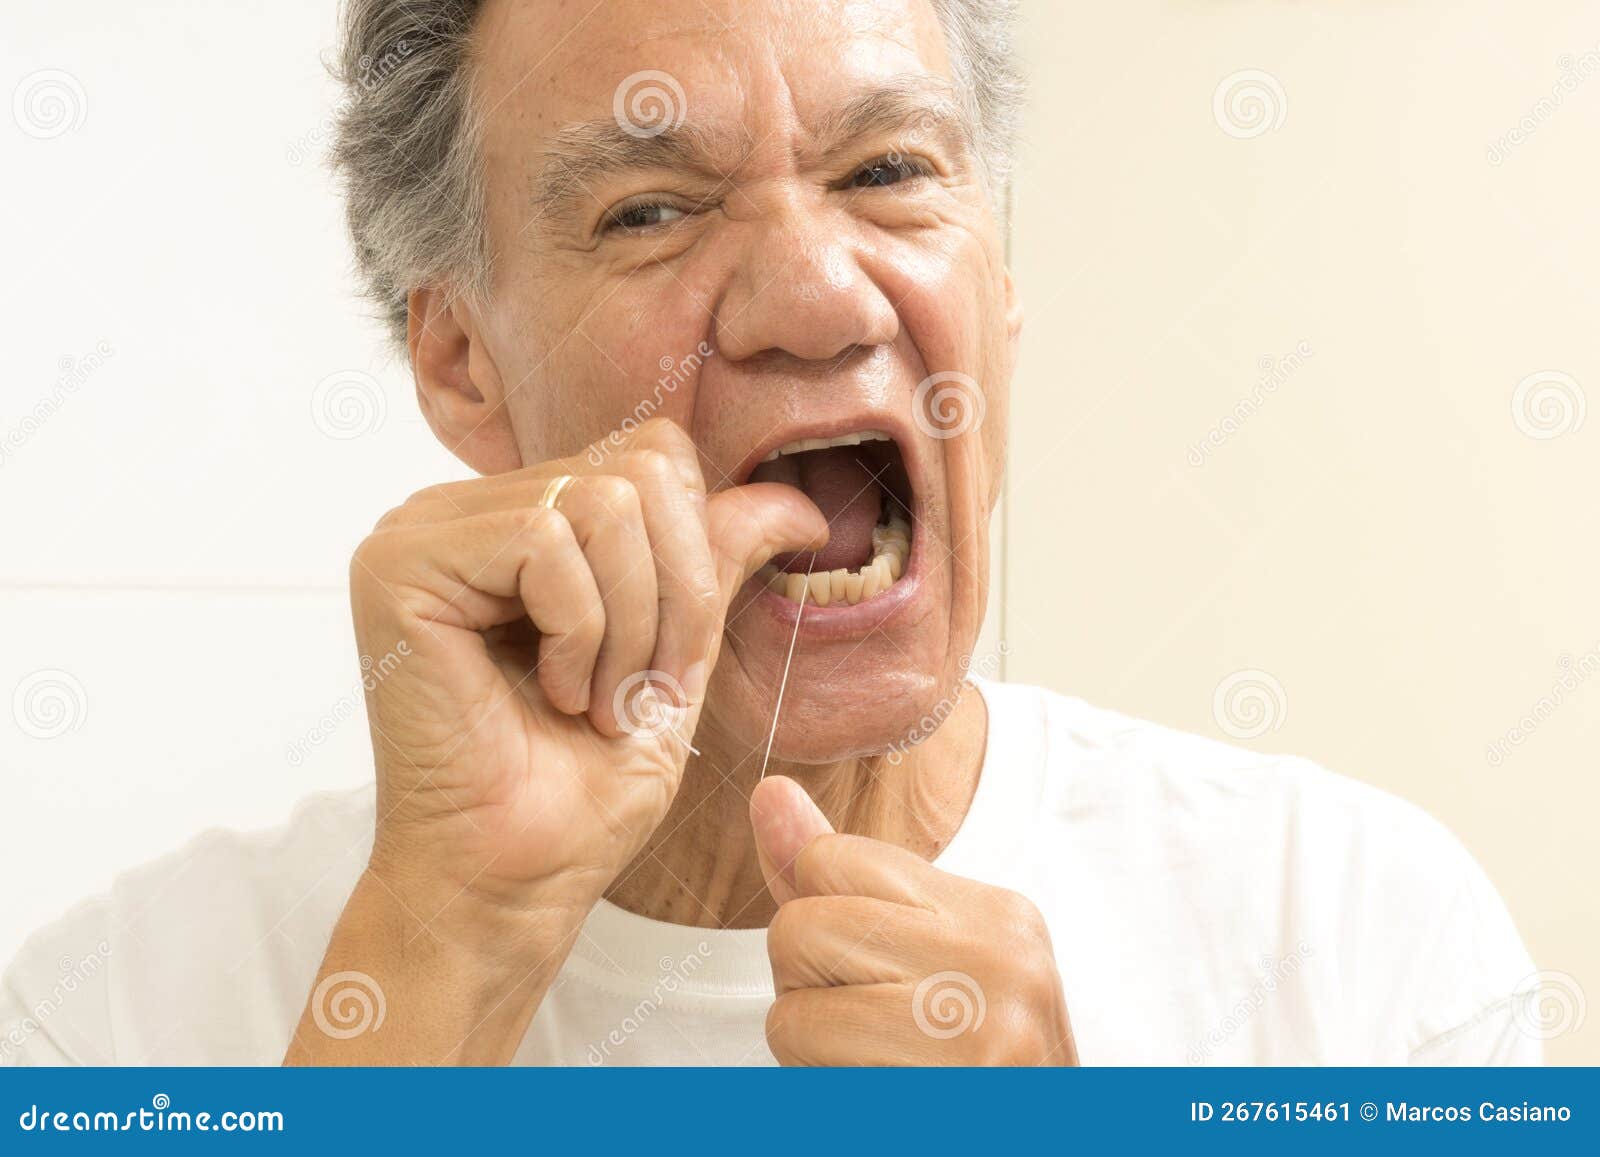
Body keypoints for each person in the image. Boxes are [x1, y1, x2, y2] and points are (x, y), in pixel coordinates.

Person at [1, 0, 1538, 1066]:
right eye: (651, 210)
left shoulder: (1367, 948)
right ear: (460, 357)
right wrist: (440, 955)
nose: (816, 294)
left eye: (889, 173)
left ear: (1000, 283)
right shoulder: (115, 1014)